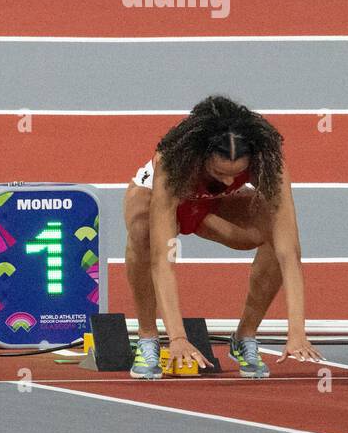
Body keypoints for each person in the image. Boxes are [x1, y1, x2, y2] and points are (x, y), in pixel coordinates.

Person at [123, 95, 321, 379]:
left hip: (212, 207)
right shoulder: (173, 162)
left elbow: (289, 252)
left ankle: (244, 336)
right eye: (219, 172)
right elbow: (162, 262)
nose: (229, 181)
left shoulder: (269, 162)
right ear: (201, 156)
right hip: (157, 201)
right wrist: (177, 337)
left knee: (276, 234)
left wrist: (297, 333)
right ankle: (147, 338)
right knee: (143, 235)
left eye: (237, 174)